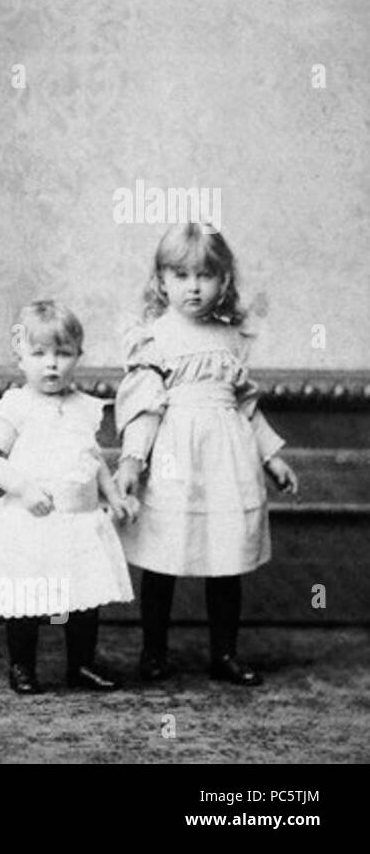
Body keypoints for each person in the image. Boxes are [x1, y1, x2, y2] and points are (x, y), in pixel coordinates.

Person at [114, 222, 299, 686]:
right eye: (180, 275)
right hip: (177, 457)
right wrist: (133, 461)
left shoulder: (233, 339)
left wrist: (271, 457)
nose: (193, 287)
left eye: (205, 276)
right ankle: (153, 652)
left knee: (226, 558)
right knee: (163, 557)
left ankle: (225, 653)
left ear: (224, 282)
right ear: (160, 281)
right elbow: (144, 408)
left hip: (228, 460)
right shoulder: (154, 338)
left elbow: (247, 408)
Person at [0, 301, 137, 694]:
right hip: (33, 519)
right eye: (39, 354)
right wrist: (25, 489)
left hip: (78, 519)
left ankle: (80, 665)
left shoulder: (83, 407)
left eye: (63, 354)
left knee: (83, 597)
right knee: (26, 598)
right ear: (20, 359)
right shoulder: (15, 407)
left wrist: (113, 496)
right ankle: (22, 666)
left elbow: (92, 459)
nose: (52, 364)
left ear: (78, 356)